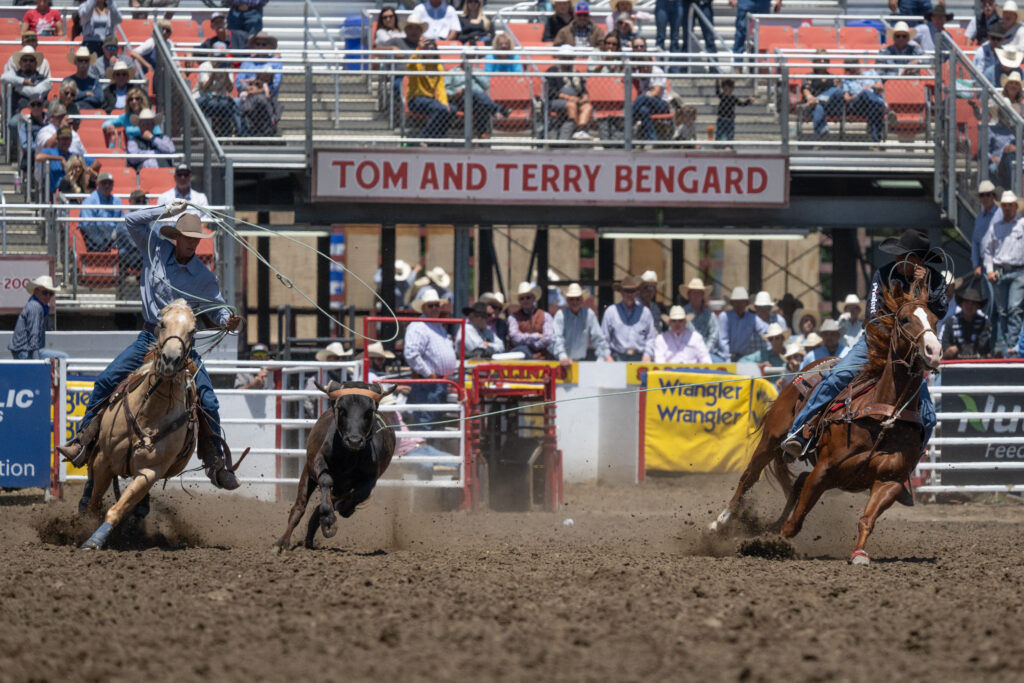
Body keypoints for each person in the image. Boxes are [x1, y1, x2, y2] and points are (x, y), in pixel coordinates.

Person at [56, 201, 244, 490]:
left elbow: (217, 308)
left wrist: (226, 321)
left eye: (195, 239)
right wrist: (166, 210)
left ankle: (215, 461)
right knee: (106, 380)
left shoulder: (204, 277)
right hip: (150, 338)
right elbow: (131, 220)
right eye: (187, 237)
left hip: (183, 346)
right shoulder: (155, 247)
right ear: (176, 237)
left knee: (208, 400)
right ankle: (83, 441)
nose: (192, 243)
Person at [782, 228, 947, 458]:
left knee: (928, 417)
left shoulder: (935, 280)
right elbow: (873, 314)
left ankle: (911, 460)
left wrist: (923, 285)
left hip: (907, 356)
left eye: (902, 255)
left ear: (917, 261)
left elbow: (938, 312)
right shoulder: (884, 274)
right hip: (874, 344)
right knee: (837, 377)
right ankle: (798, 431)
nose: (897, 258)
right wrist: (890, 338)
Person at [403, 289, 458, 428]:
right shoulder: (419, 326)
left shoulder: (437, 326)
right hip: (428, 383)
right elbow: (411, 354)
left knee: (435, 421)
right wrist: (428, 374)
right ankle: (422, 441)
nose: (435, 308)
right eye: (430, 305)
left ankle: (427, 441)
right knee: (426, 420)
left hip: (440, 381)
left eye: (437, 305)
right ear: (423, 308)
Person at [982, 190, 1024, 348]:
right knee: (1002, 310)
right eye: (1005, 205)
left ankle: (1012, 344)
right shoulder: (995, 227)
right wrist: (990, 270)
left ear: (1016, 207)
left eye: (1010, 205)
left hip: (1019, 271)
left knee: (1014, 308)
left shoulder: (1022, 225)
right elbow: (988, 251)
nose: (1007, 208)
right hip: (1000, 272)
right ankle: (1007, 344)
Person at [8, 275, 68, 360]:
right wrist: (36, 359)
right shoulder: (36, 307)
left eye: (51, 294)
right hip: (25, 351)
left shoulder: (35, 305)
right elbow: (34, 333)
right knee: (64, 358)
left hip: (23, 350)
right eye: (45, 293)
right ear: (36, 292)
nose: (48, 297)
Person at [2, 45, 50, 150]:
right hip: (20, 114)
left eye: (31, 60)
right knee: (13, 124)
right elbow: (3, 77)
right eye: (25, 60)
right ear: (20, 63)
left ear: (36, 63)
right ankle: (19, 149)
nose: (28, 63)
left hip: (39, 114)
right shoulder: (14, 74)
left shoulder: (43, 79)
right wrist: (24, 81)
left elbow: (36, 92)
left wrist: (19, 87)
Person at [551, 283, 611, 365]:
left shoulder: (589, 314)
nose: (575, 302)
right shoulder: (560, 315)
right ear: (567, 300)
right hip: (562, 362)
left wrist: (602, 357)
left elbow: (598, 337)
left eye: (577, 299)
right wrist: (563, 357)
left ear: (582, 300)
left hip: (582, 362)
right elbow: (557, 338)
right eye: (571, 299)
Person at [602, 275, 657, 360]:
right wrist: (607, 357)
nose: (629, 294)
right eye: (626, 291)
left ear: (636, 292)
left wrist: (647, 355)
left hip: (640, 358)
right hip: (617, 357)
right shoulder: (611, 312)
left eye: (632, 291)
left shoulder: (645, 312)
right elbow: (603, 338)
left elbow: (650, 337)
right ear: (621, 292)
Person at [444, 63, 506, 138]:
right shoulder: (452, 72)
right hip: (461, 99)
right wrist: (455, 92)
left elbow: (486, 85)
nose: (469, 60)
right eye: (467, 57)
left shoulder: (477, 71)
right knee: (471, 91)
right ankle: (499, 109)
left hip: (478, 101)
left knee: (481, 104)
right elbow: (446, 89)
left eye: (471, 58)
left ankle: (481, 135)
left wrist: (473, 72)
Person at [546, 44, 593, 140]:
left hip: (575, 100)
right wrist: (569, 98)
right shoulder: (552, 71)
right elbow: (551, 92)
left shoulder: (576, 73)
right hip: (556, 101)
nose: (567, 60)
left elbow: (583, 90)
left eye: (569, 57)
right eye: (565, 57)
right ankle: (574, 130)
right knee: (571, 105)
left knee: (587, 107)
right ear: (560, 58)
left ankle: (580, 131)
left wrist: (584, 97)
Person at [407, 39, 451, 138]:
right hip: (416, 100)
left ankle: (437, 137)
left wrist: (444, 102)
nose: (430, 51)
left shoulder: (438, 67)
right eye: (427, 48)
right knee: (439, 108)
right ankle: (422, 138)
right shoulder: (418, 63)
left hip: (430, 101)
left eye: (433, 49)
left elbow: (440, 87)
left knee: (451, 109)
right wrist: (419, 48)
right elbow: (409, 65)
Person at [37, 126, 100, 196]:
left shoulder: (74, 155)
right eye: (63, 139)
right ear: (57, 140)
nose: (65, 142)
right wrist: (60, 158)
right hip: (57, 193)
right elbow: (38, 157)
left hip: (74, 191)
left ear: (71, 140)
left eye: (68, 139)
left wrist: (87, 170)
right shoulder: (51, 151)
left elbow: (97, 163)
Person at [840, 60, 891, 143]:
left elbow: (881, 87)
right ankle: (885, 108)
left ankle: (876, 142)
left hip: (872, 105)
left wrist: (871, 86)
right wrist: (860, 93)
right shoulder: (847, 79)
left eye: (855, 64)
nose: (854, 67)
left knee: (874, 108)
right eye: (851, 66)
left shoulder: (871, 73)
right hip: (858, 105)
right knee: (865, 93)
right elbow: (847, 98)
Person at [196, 42, 239, 137]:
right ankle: (207, 134)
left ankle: (225, 136)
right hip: (205, 97)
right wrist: (213, 73)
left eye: (222, 56)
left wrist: (226, 74)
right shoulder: (205, 66)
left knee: (227, 104)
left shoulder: (227, 66)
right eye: (218, 56)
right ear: (212, 54)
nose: (220, 59)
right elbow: (205, 87)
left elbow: (230, 89)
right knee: (212, 104)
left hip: (220, 99)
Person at [631, 45, 672, 143]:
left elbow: (656, 92)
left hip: (661, 104)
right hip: (647, 105)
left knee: (643, 97)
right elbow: (624, 75)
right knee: (643, 110)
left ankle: (628, 118)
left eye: (647, 65)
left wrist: (644, 97)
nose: (645, 68)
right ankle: (651, 139)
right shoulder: (639, 72)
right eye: (643, 66)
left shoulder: (657, 71)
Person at [716, 286, 768, 361]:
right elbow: (723, 341)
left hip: (741, 357)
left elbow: (765, 330)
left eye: (742, 302)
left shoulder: (752, 318)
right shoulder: (724, 316)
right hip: (722, 357)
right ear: (732, 303)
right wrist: (728, 360)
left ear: (746, 303)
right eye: (736, 302)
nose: (739, 304)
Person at [645, 305, 711, 363]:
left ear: (685, 322)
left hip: (692, 371)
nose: (677, 324)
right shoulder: (661, 339)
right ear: (670, 322)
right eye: (674, 321)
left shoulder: (695, 337)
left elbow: (705, 357)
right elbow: (659, 360)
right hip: (668, 372)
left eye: (680, 321)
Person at [800, 50, 841, 138]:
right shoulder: (809, 76)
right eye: (820, 59)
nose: (822, 61)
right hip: (813, 107)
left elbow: (839, 91)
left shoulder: (833, 77)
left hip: (831, 107)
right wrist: (810, 97)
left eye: (825, 59)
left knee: (836, 90)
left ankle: (818, 100)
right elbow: (805, 89)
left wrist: (815, 100)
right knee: (818, 107)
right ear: (815, 61)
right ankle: (821, 134)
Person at [508, 282, 555, 359]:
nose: (525, 300)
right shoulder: (513, 317)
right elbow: (515, 338)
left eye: (528, 297)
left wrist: (533, 345)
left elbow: (548, 338)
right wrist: (537, 336)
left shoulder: (545, 316)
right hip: (521, 359)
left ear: (534, 298)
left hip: (542, 359)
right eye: (522, 298)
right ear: (519, 301)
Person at [943, 288, 992, 358]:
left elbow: (984, 345)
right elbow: (945, 344)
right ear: (961, 304)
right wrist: (949, 351)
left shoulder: (984, 322)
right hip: (955, 362)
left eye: (973, 303)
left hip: (979, 361)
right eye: (966, 302)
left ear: (978, 306)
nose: (969, 306)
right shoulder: (950, 321)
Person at [79, 171, 122, 251]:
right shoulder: (90, 201)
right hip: (94, 241)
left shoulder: (117, 201)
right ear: (97, 184)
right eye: (103, 183)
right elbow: (88, 226)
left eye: (110, 183)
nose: (107, 186)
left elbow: (121, 222)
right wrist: (103, 242)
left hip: (114, 238)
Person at [680, 277, 720, 361]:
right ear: (689, 296)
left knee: (722, 364)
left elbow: (713, 336)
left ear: (702, 296)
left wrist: (704, 352)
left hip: (707, 353)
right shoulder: (681, 313)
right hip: (685, 354)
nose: (696, 296)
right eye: (693, 293)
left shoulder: (710, 315)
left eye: (699, 293)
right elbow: (675, 334)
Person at [973, 180, 999, 277]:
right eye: (982, 195)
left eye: (988, 194)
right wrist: (976, 265)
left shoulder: (1001, 215)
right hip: (984, 265)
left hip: (999, 265)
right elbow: (975, 242)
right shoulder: (979, 218)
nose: (985, 198)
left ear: (994, 196)